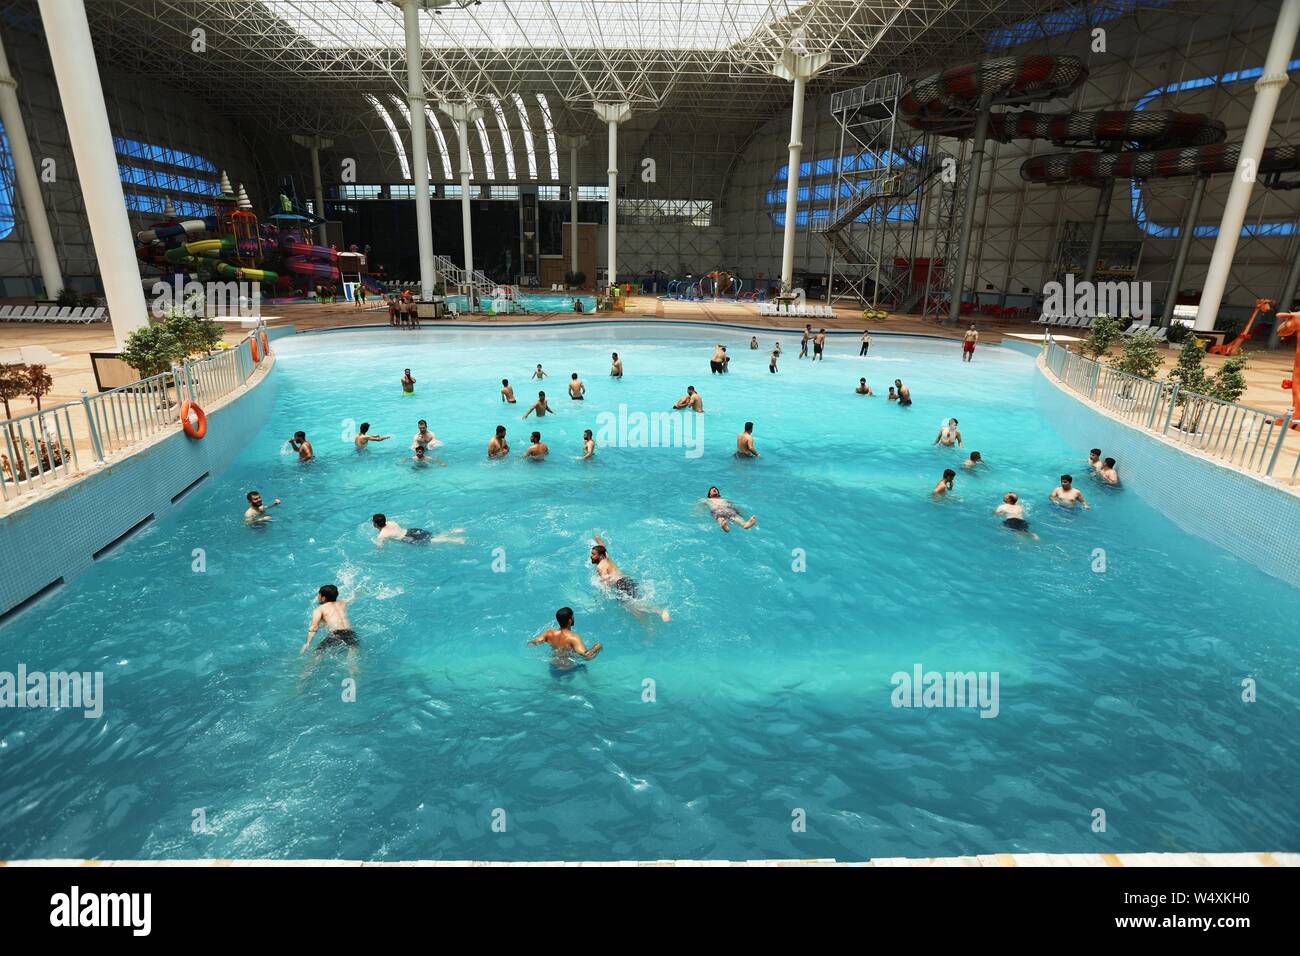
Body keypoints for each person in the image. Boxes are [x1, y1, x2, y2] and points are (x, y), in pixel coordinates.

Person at [590, 534, 670, 621]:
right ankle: (647, 625)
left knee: (633, 605)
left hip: (621, 584)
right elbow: (602, 546)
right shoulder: (607, 557)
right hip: (627, 580)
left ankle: (660, 611)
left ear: (600, 556)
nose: (591, 556)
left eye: (593, 554)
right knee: (634, 607)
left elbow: (606, 580)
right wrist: (597, 537)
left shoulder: (600, 566)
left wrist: (601, 586)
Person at [529, 606, 602, 671]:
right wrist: (596, 647)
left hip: (553, 667)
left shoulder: (549, 633)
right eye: (573, 617)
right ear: (570, 620)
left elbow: (534, 642)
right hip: (568, 669)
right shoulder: (573, 638)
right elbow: (586, 656)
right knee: (584, 667)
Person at [300, 585, 358, 661]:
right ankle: (354, 672)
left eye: (318, 595)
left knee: (316, 655)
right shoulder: (342, 602)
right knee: (352, 660)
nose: (317, 597)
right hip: (351, 633)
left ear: (323, 598)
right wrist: (356, 592)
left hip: (337, 634)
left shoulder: (319, 609)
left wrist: (307, 643)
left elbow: (314, 627)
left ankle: (305, 672)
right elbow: (352, 598)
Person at [372, 513, 464, 547]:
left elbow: (381, 546)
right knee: (432, 536)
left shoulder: (382, 535)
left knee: (432, 541)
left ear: (375, 524)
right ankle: (453, 531)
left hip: (407, 538)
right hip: (411, 531)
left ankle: (455, 540)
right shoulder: (392, 522)